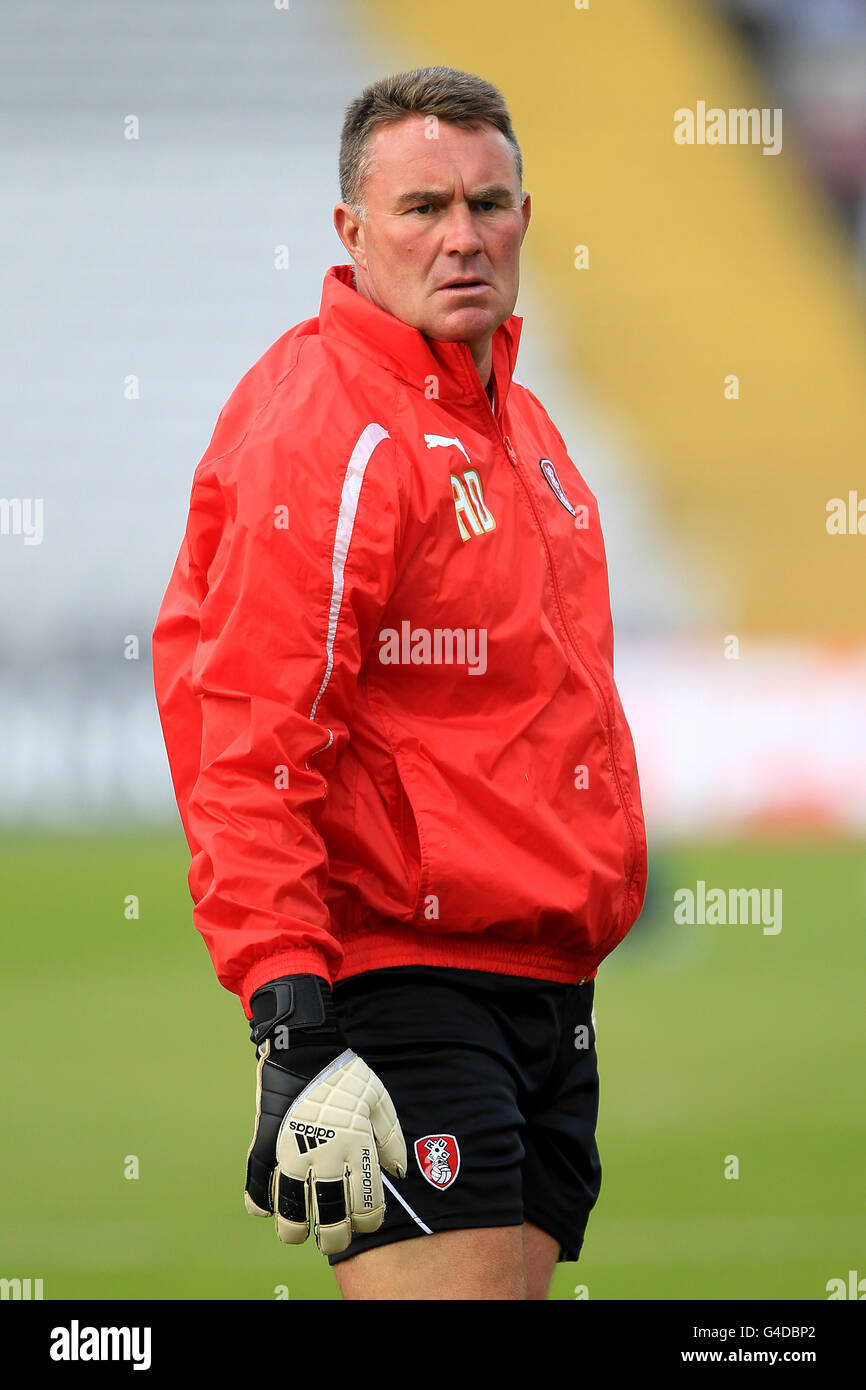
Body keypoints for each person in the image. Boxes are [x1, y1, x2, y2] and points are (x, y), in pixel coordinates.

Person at [151, 64, 648, 1301]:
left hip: (543, 985)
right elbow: (250, 743)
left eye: (488, 203)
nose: (462, 236)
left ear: (526, 215)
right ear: (351, 231)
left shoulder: (521, 427)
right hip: (401, 984)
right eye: (422, 206)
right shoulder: (326, 428)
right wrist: (290, 1022)